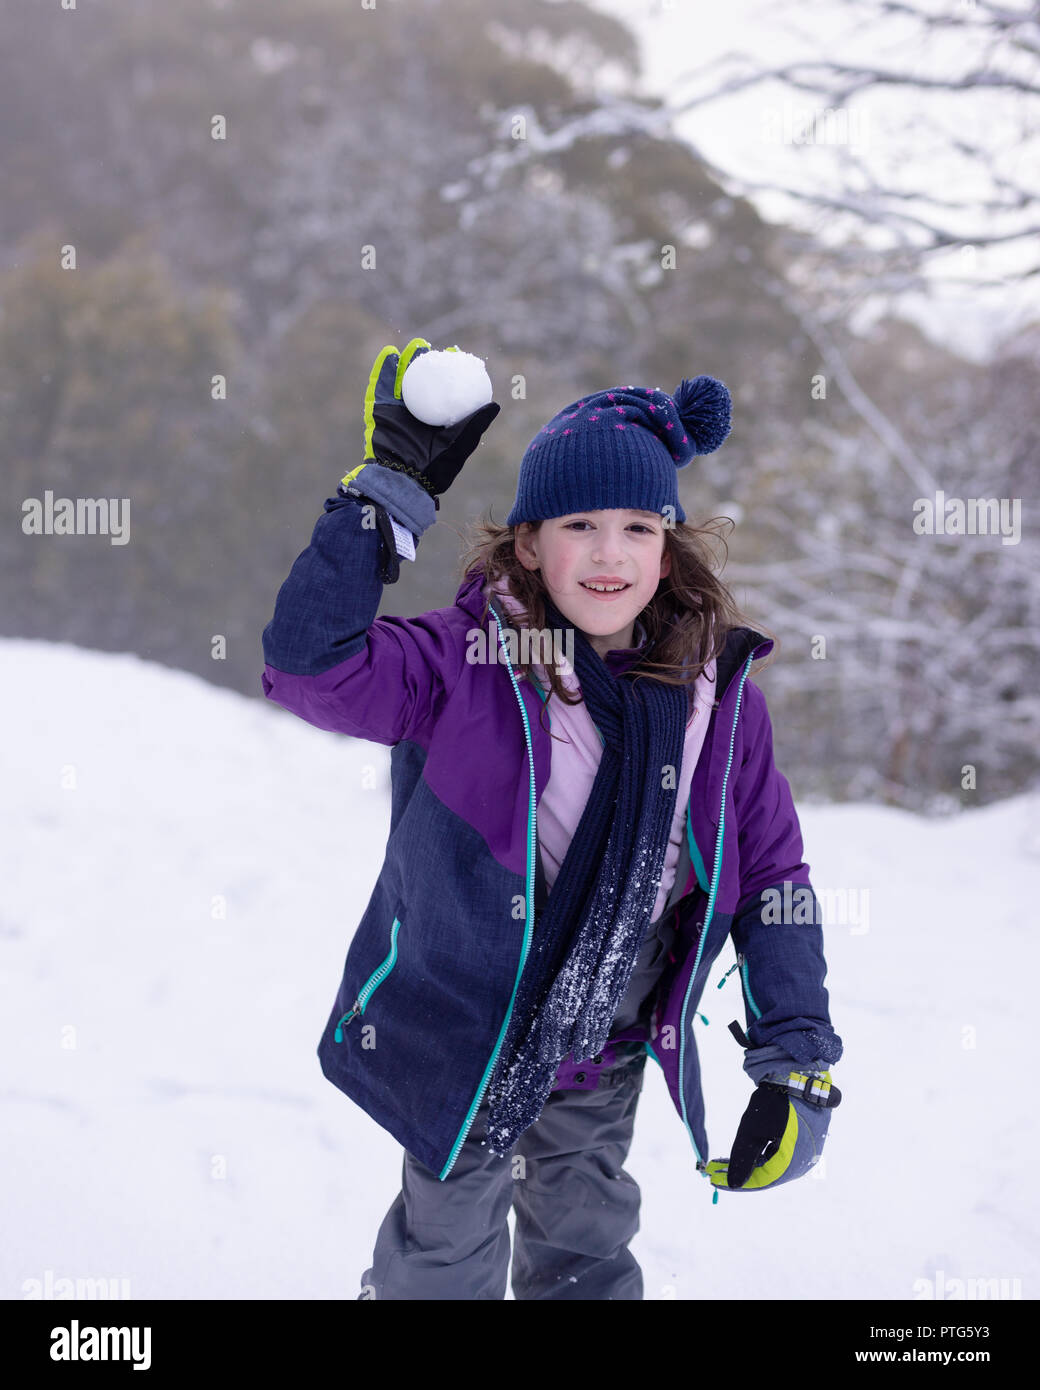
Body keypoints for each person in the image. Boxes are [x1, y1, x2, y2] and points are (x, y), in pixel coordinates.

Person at [261, 338, 843, 1301]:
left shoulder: (716, 694)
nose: (610, 553)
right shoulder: (467, 661)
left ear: (669, 546)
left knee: (585, 1251)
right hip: (463, 1036)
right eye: (579, 524)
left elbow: (774, 877)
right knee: (440, 1259)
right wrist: (386, 494)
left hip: (602, 1041)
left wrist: (799, 1049)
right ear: (530, 544)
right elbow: (308, 669)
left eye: (639, 528)